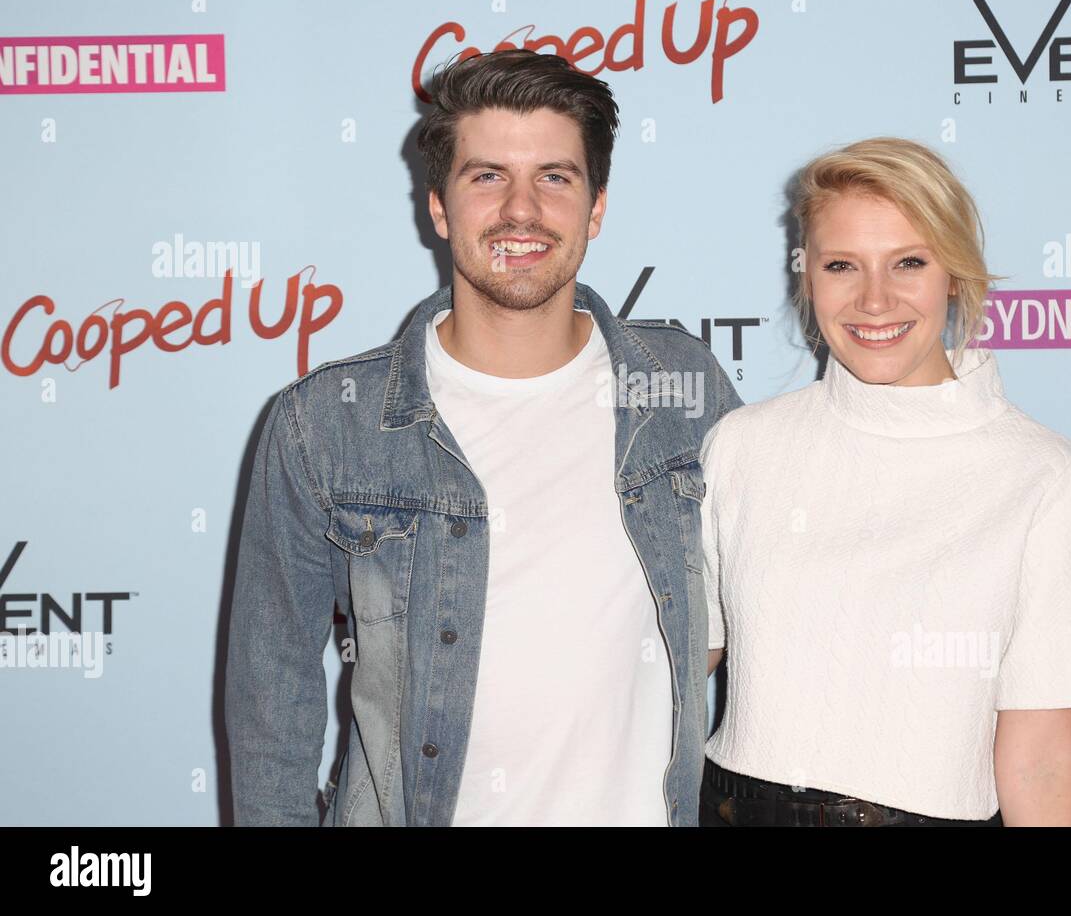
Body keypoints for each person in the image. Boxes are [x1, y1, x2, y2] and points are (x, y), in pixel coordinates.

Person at [224, 49, 741, 826]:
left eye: (555, 178)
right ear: (438, 206)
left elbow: (751, 606)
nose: (521, 210)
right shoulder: (327, 423)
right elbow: (273, 705)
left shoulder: (682, 386)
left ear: (597, 208)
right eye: (487, 175)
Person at [698, 137, 1071, 827]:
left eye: (909, 262)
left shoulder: (1041, 475)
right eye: (842, 265)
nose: (875, 299)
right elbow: (674, 660)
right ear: (806, 277)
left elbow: (1043, 758)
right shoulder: (744, 445)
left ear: (954, 276)